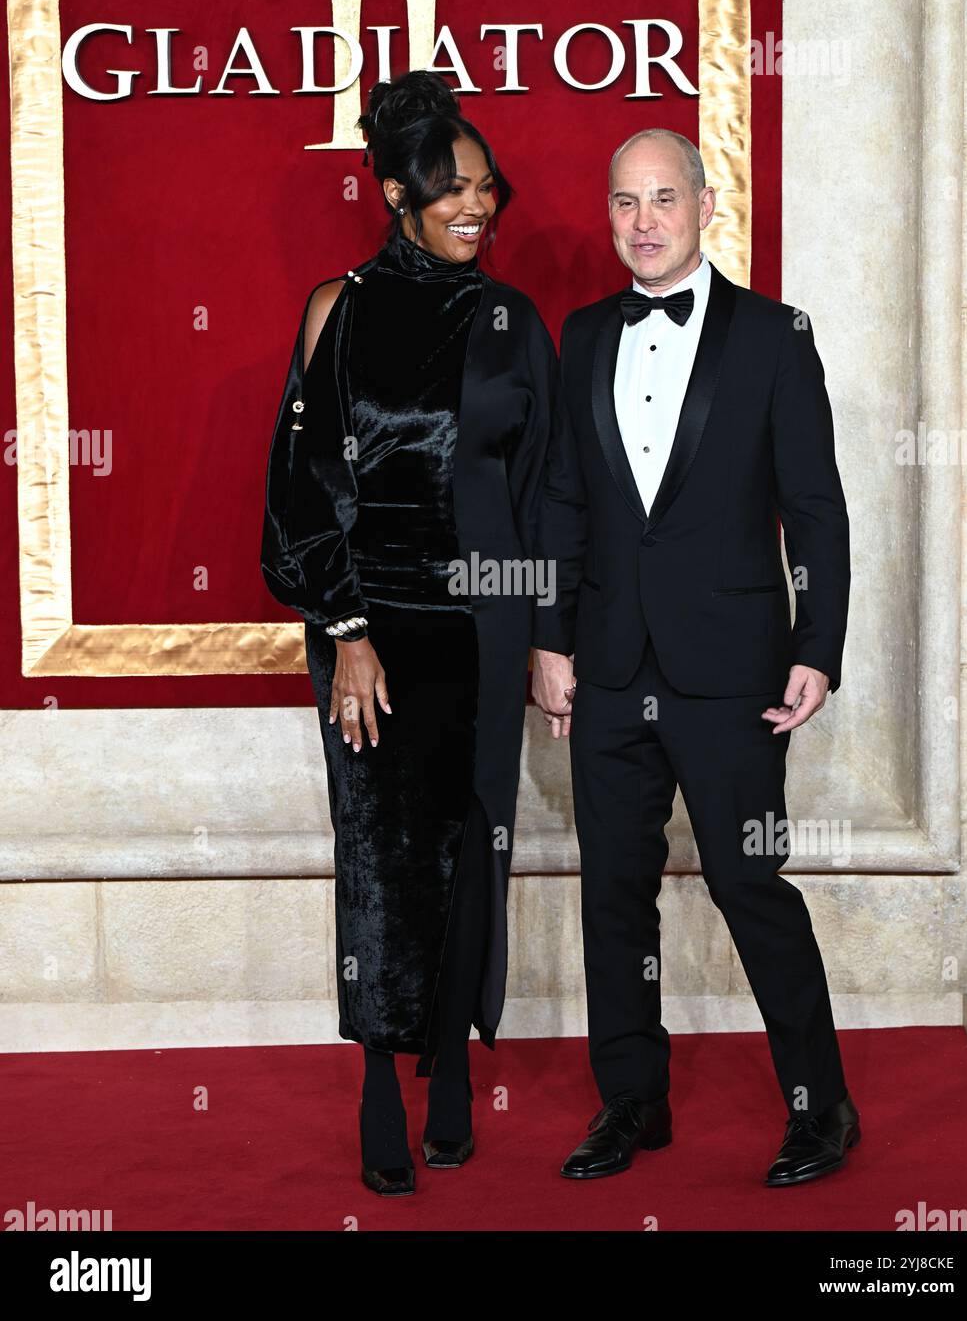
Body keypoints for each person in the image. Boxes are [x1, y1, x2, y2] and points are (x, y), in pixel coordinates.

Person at [532, 127, 860, 1186]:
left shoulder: (771, 335)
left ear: (706, 204)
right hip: (610, 664)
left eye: (662, 199)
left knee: (746, 881)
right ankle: (631, 1103)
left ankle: (819, 1109)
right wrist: (547, 638)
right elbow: (562, 501)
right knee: (613, 893)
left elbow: (812, 505)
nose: (642, 222)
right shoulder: (580, 334)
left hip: (730, 666)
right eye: (624, 202)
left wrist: (818, 645)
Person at [261, 71, 556, 1196]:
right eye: (451, 190)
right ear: (395, 194)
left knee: (470, 851)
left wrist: (541, 635)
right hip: (368, 630)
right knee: (382, 858)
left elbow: (542, 494)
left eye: (487, 187)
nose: (476, 208)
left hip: (482, 624)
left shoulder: (510, 320)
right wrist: (343, 626)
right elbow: (299, 486)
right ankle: (378, 1084)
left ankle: (447, 1078)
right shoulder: (336, 308)